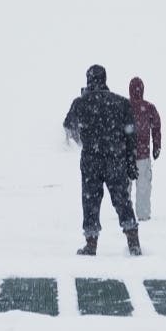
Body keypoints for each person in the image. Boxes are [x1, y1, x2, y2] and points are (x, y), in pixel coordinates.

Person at [63, 64, 141, 256]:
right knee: (122, 201)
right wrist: (131, 163)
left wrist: (83, 133)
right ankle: (133, 244)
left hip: (91, 161)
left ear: (88, 80)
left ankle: (91, 245)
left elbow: (68, 125)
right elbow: (131, 135)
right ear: (104, 79)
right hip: (116, 161)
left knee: (90, 203)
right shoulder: (121, 103)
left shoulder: (80, 103)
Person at [128, 76, 162, 221]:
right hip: (142, 155)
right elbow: (157, 128)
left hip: (126, 155)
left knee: (125, 188)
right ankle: (143, 214)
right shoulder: (149, 108)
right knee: (143, 187)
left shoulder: (124, 106)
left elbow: (116, 129)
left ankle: (126, 214)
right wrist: (156, 146)